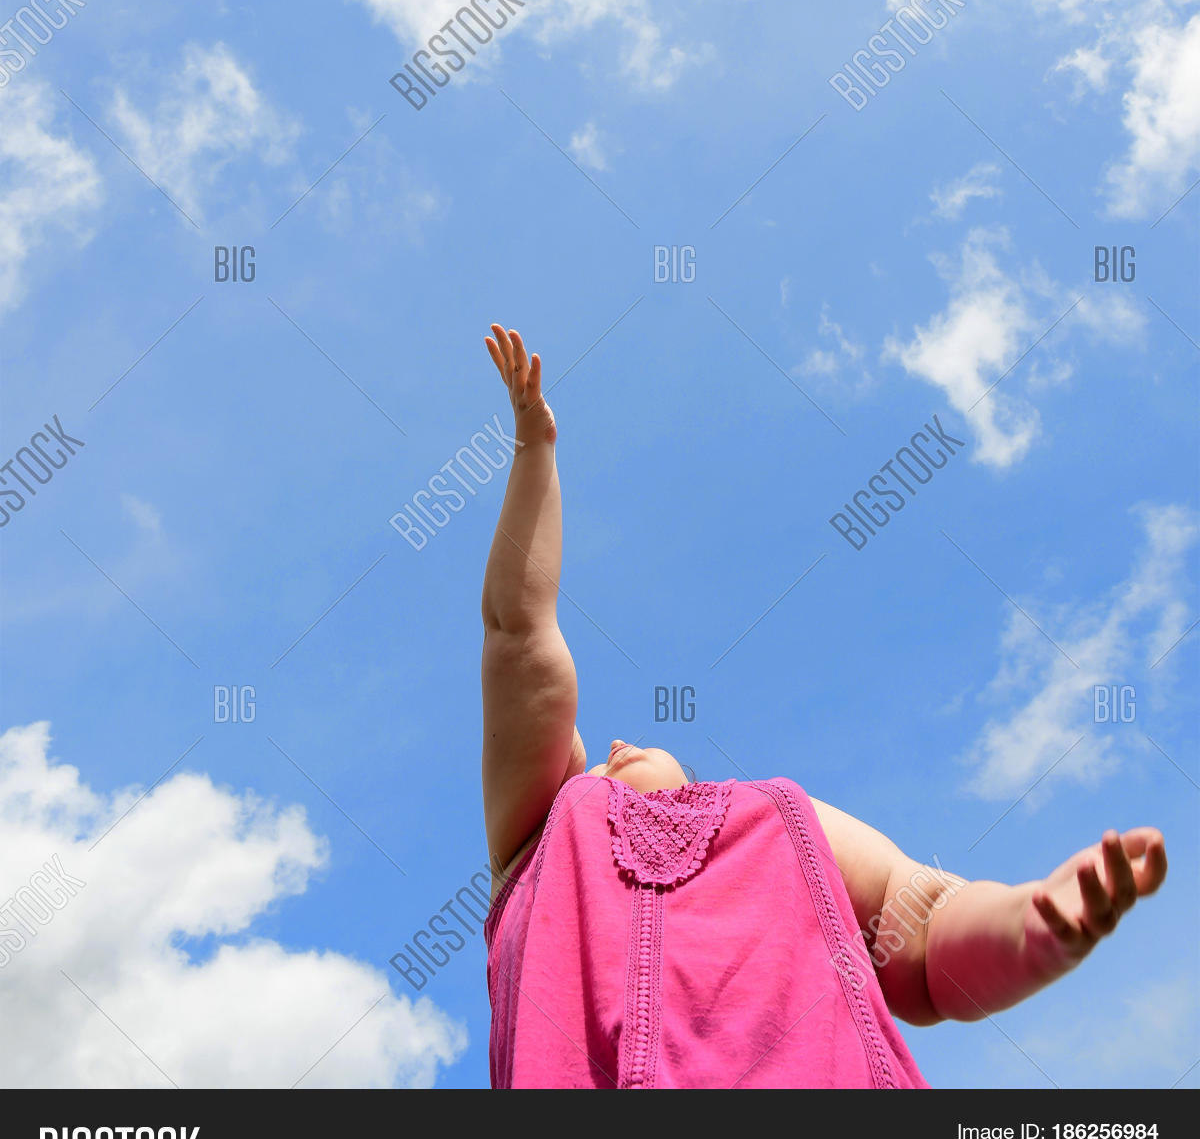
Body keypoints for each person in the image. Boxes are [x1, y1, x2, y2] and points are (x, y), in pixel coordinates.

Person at [479, 325, 1168, 1090]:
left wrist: (1030, 923)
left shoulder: (781, 819)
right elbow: (519, 635)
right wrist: (534, 452)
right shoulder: (543, 834)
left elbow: (927, 930)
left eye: (623, 748)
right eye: (598, 760)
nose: (613, 746)